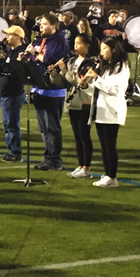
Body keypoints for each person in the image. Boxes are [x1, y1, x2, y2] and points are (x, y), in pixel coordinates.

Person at [85, 36, 131, 188]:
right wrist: (86, 85)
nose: (102, 52)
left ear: (113, 49)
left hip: (112, 110)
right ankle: (107, 174)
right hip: (101, 110)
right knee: (104, 145)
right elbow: (99, 88)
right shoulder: (106, 66)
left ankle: (112, 177)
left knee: (110, 145)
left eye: (104, 49)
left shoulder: (122, 67)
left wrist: (96, 78)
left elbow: (116, 89)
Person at [30, 13, 69, 170]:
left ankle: (54, 159)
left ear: (54, 26)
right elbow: (36, 60)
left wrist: (35, 54)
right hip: (39, 87)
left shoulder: (60, 41)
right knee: (43, 127)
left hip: (53, 89)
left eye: (44, 24)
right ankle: (48, 157)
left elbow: (51, 59)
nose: (41, 26)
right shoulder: (40, 39)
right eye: (40, 23)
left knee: (52, 126)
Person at [64, 33, 97, 179]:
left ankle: (87, 167)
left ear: (87, 46)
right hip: (72, 102)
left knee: (84, 135)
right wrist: (55, 74)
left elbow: (80, 81)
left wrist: (64, 71)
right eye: (75, 43)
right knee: (77, 137)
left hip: (84, 101)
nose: (75, 46)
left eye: (78, 43)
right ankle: (80, 165)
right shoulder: (72, 60)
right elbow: (65, 82)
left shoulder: (91, 62)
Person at [0, 25, 29, 162]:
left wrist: (1, 60)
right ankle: (11, 150)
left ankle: (15, 152)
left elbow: (14, 70)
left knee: (11, 124)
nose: (7, 37)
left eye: (10, 35)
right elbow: (4, 70)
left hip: (13, 93)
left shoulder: (21, 52)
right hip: (6, 92)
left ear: (18, 37)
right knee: (7, 124)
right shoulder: (11, 51)